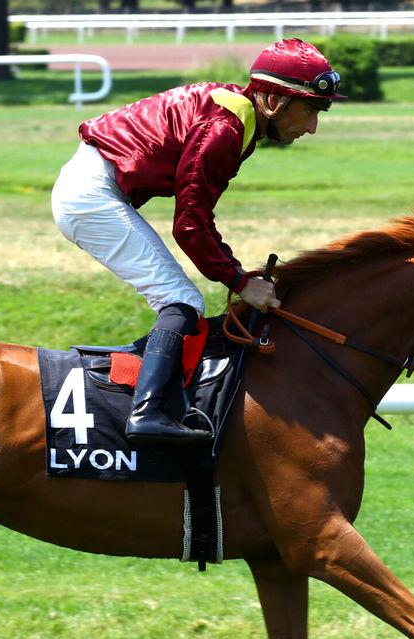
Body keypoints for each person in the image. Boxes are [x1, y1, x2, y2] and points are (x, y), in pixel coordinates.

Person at [51, 38, 344, 446]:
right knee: (182, 302)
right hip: (91, 197)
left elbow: (198, 219)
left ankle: (143, 382)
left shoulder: (235, 116)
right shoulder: (225, 128)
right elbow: (189, 225)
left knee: (179, 300)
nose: (312, 126)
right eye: (310, 109)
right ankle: (146, 412)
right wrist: (240, 282)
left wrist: (237, 273)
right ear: (274, 101)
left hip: (93, 188)